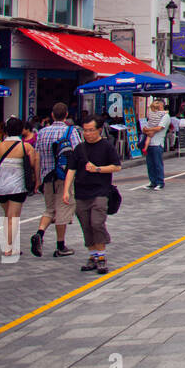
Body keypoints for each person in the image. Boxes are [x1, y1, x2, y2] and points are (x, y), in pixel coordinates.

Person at [62, 115, 122, 275]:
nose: (87, 134)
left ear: (99, 130)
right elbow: (71, 170)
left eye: (91, 130)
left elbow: (117, 167)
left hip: (100, 191)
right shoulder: (79, 148)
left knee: (96, 223)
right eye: (85, 130)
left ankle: (101, 257)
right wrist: (66, 190)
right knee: (86, 225)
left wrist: (98, 169)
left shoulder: (107, 146)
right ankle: (92, 256)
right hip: (81, 192)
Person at [0, 117, 39, 263]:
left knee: (8, 217)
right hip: (17, 187)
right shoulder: (26, 147)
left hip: (0, 188)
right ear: (21, 130)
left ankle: (11, 245)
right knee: (13, 218)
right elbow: (34, 166)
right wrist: (37, 183)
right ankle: (9, 247)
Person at [31, 103, 82, 257]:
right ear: (66, 115)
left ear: (52, 115)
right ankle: (60, 245)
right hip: (65, 176)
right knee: (63, 210)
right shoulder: (71, 131)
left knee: (49, 209)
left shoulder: (42, 132)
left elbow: (37, 156)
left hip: (47, 176)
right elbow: (79, 152)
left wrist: (38, 179)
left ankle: (39, 234)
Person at [141, 99, 169, 191]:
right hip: (150, 143)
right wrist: (148, 130)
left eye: (158, 105)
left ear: (162, 105)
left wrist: (148, 130)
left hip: (157, 143)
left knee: (157, 164)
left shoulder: (165, 116)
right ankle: (152, 182)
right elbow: (146, 127)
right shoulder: (153, 114)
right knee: (150, 164)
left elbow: (159, 128)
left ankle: (160, 182)